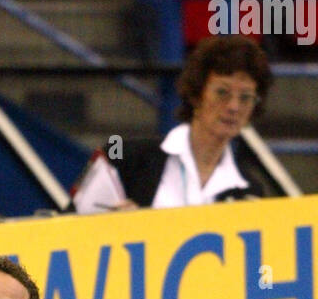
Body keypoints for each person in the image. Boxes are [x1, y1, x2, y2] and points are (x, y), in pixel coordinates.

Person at [72, 36, 276, 213]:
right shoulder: (123, 156)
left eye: (246, 98)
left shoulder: (250, 190)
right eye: (222, 92)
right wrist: (109, 226)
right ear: (197, 95)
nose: (233, 106)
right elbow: (63, 226)